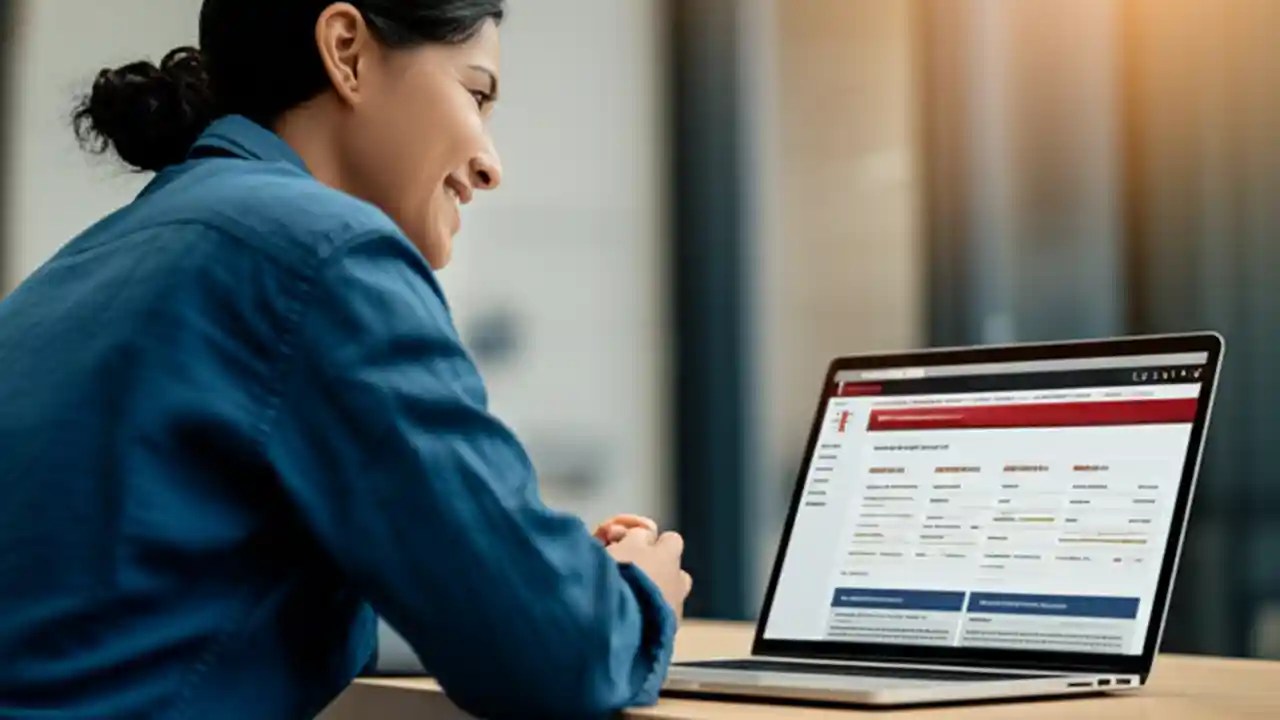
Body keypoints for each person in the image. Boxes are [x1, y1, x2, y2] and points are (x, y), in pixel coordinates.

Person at [0, 1, 692, 718]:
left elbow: (177, 610)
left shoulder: (97, 261)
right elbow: (558, 658)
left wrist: (524, 574)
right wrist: (637, 597)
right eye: (475, 93)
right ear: (346, 51)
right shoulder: (323, 250)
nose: (489, 165)